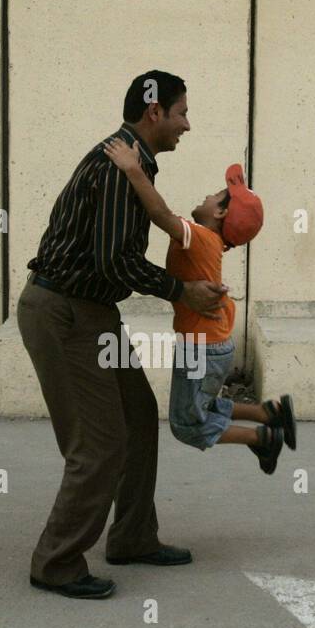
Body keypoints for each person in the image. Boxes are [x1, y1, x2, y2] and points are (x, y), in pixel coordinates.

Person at [17, 70, 228, 600]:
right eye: (181, 112)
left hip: (93, 314)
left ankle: (133, 537)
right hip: (64, 314)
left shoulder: (133, 164)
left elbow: (150, 228)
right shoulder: (118, 168)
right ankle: (57, 562)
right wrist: (182, 292)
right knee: (99, 443)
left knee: (138, 420)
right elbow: (116, 262)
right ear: (154, 112)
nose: (187, 124)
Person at [102, 138, 297, 471]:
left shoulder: (200, 237)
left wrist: (133, 169)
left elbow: (160, 214)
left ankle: (262, 437)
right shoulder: (210, 242)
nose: (208, 195)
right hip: (212, 344)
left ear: (220, 212)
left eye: (216, 195)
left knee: (186, 424)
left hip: (200, 348)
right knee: (200, 404)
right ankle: (267, 414)